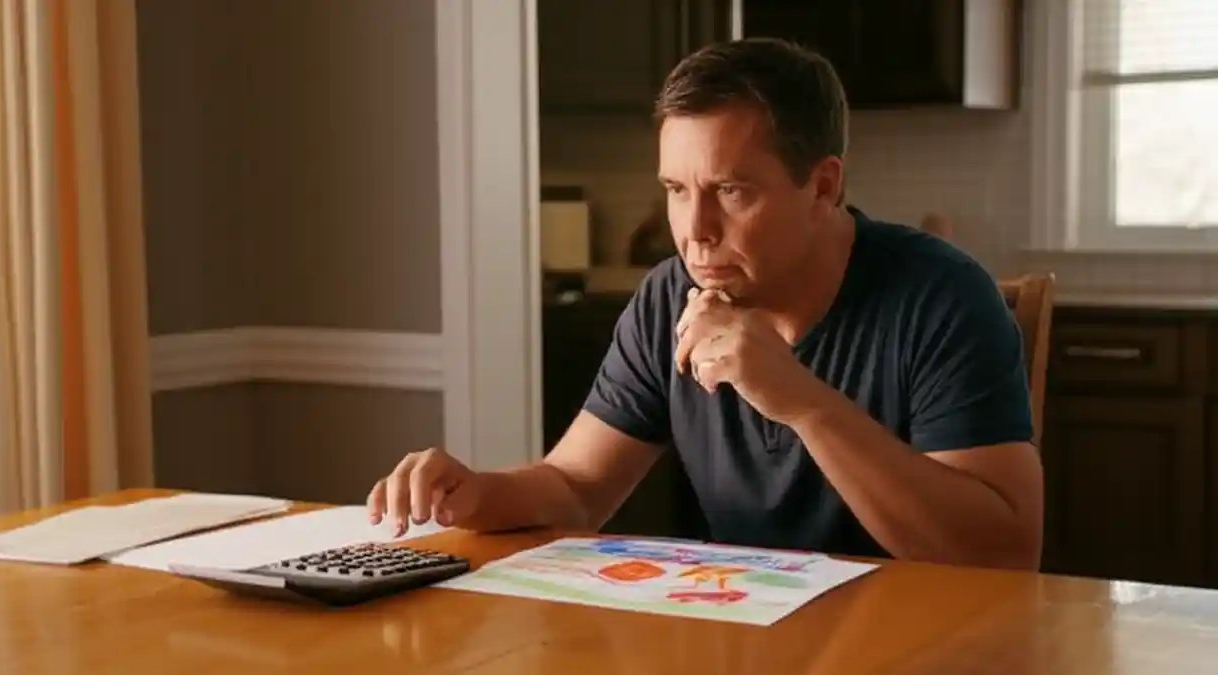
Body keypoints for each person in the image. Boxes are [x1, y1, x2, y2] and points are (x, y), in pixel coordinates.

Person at [369, 39, 1043, 570]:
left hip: (925, 654)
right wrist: (474, 494)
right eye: (676, 189)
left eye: (731, 191)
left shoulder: (943, 297)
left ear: (823, 186)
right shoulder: (669, 298)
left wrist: (802, 401)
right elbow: (576, 487)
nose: (694, 230)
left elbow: (1002, 556)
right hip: (749, 640)